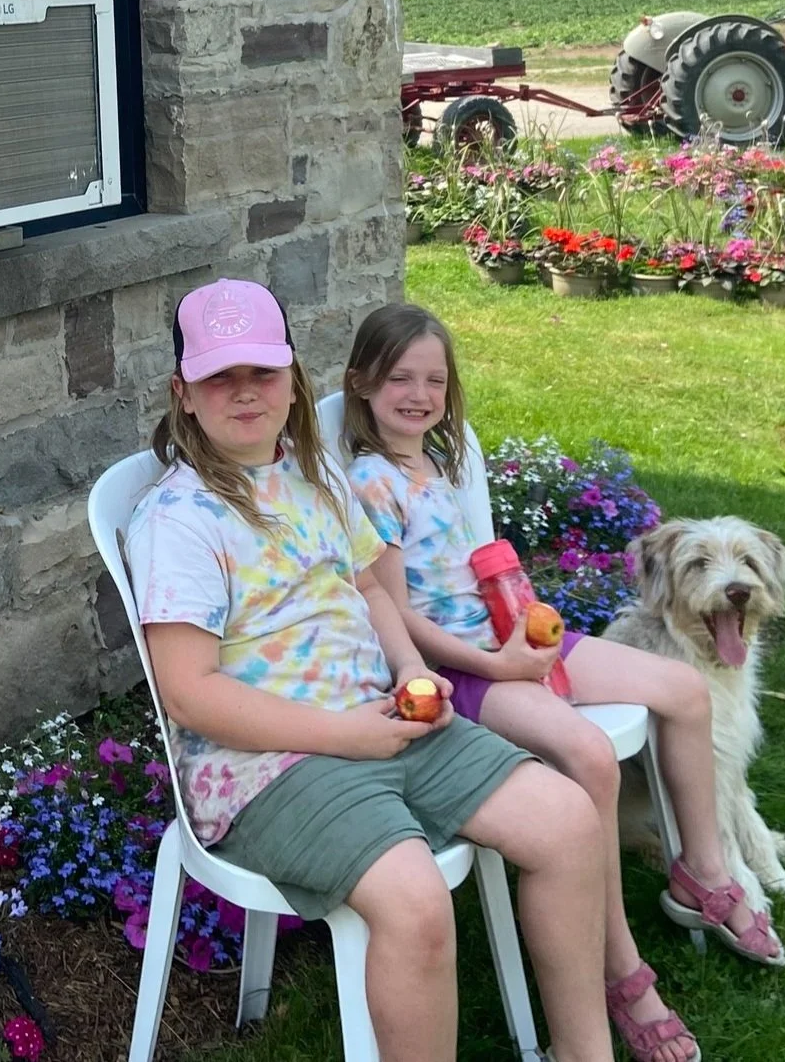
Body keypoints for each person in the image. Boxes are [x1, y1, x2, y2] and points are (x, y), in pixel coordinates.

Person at [126, 279, 616, 1062]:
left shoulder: (313, 479)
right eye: (219, 376)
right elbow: (190, 693)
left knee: (566, 820)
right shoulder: (177, 520)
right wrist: (345, 736)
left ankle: (583, 1053)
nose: (244, 391)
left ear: (293, 380)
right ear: (182, 393)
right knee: (416, 901)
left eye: (262, 370)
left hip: (380, 718)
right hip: (267, 765)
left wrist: (413, 672)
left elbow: (364, 586)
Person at [340, 303, 785, 1062]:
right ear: (360, 384)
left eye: (434, 379)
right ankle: (621, 970)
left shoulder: (438, 463)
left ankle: (698, 873)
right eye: (399, 379)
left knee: (679, 693)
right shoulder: (370, 483)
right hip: (460, 665)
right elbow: (394, 612)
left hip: (506, 634)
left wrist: (523, 617)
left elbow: (473, 567)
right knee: (586, 754)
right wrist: (496, 663)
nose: (417, 394)